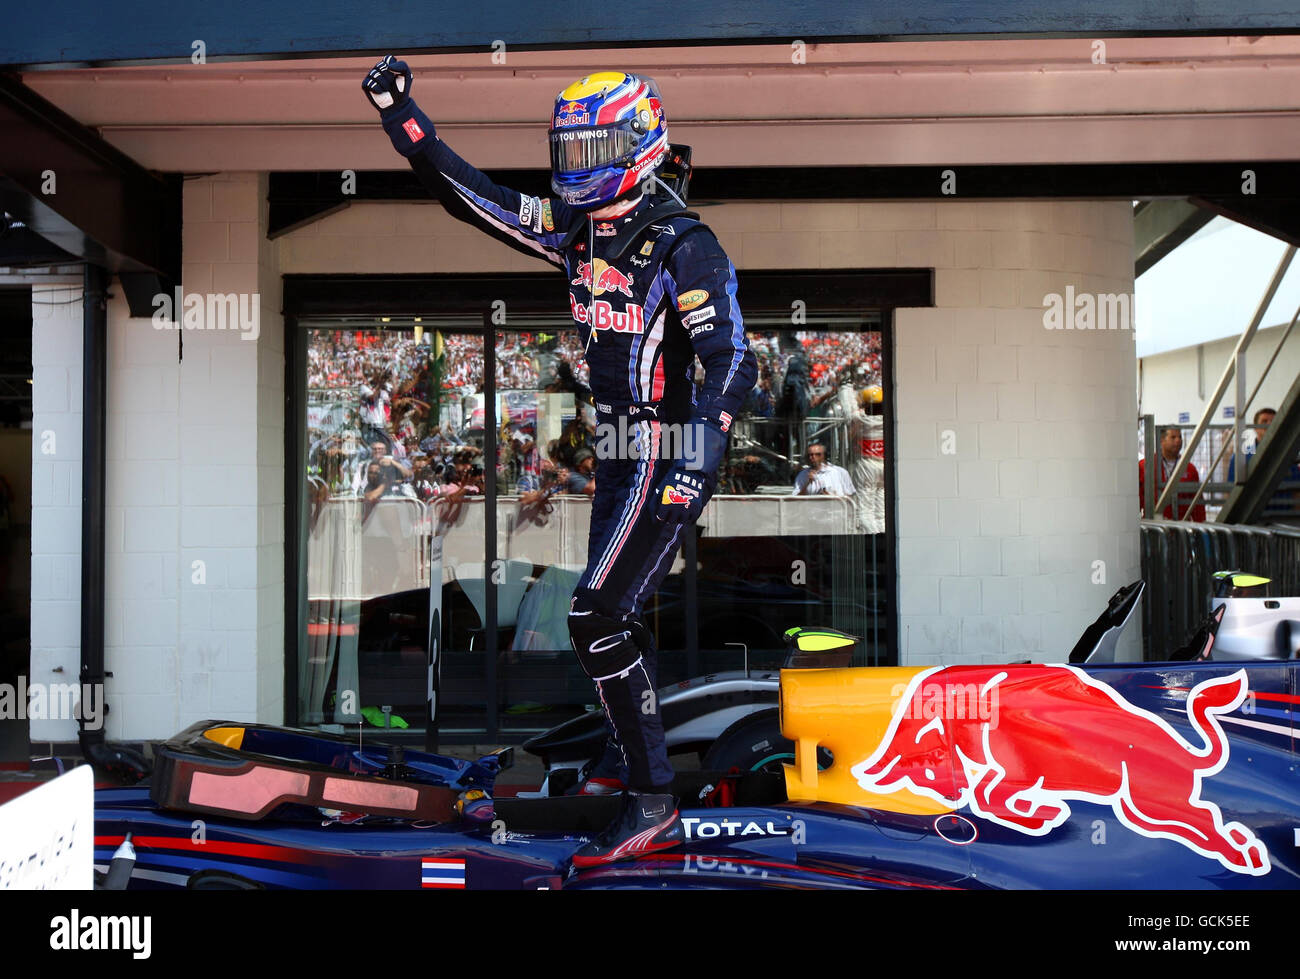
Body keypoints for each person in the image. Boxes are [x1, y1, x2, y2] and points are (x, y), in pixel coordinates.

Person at [366, 58, 757, 865]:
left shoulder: (685, 244)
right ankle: (627, 757)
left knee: (595, 616)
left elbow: (732, 361)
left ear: (641, 142)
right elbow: (473, 196)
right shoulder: (574, 228)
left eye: (595, 148)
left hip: (667, 449)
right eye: (569, 149)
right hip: (616, 450)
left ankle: (652, 797)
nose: (579, 165)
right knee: (615, 616)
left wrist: (700, 454)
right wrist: (402, 116)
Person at [1138, 426, 1206, 521]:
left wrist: (1200, 525)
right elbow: (1137, 499)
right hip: (1154, 525)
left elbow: (1197, 503)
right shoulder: (1146, 466)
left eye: (1180, 437)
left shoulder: (1189, 469)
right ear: (1162, 440)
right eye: (1173, 437)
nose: (1178, 440)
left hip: (1182, 525)